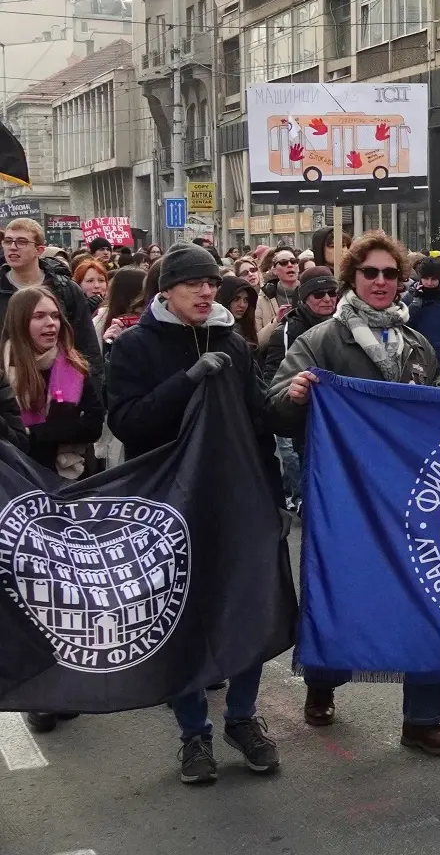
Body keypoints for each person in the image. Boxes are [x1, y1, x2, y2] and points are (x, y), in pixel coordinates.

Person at [268, 232, 440, 756]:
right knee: (341, 592)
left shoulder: (416, 344)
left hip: (412, 494)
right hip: (344, 496)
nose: (380, 281)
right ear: (352, 277)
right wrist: (295, 394)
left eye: (390, 274)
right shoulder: (321, 340)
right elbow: (275, 405)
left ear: (401, 281)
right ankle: (323, 679)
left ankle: (425, 718)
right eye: (370, 272)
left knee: (428, 597)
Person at [104, 243, 280, 782]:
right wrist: (188, 380)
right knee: (178, 619)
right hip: (168, 507)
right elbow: (128, 422)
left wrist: (294, 402)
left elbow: (260, 419)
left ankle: (242, 719)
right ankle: (193, 734)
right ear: (166, 292)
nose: (207, 292)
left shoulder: (233, 342)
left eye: (212, 283)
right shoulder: (134, 346)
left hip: (236, 498)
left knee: (248, 610)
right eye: (193, 285)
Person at [6, 285, 105, 480]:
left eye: (55, 316)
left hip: (69, 478)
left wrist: (37, 433)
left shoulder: (75, 366)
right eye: (39, 316)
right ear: (19, 322)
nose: (51, 323)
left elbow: (93, 425)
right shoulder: (4, 369)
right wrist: (60, 428)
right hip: (14, 480)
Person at [0, 218, 102, 369]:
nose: (12, 247)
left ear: (39, 250)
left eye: (22, 242)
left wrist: (92, 379)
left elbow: (87, 344)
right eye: (8, 241)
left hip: (59, 377)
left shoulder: (65, 288)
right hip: (9, 378)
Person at [404, 257, 440, 381]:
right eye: (425, 278)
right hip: (419, 361)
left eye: (433, 279)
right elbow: (404, 327)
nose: (429, 283)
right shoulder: (409, 298)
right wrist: (416, 304)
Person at [214, 277, 262, 353]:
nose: (242, 305)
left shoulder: (248, 330)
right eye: (236, 299)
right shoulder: (213, 334)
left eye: (246, 300)